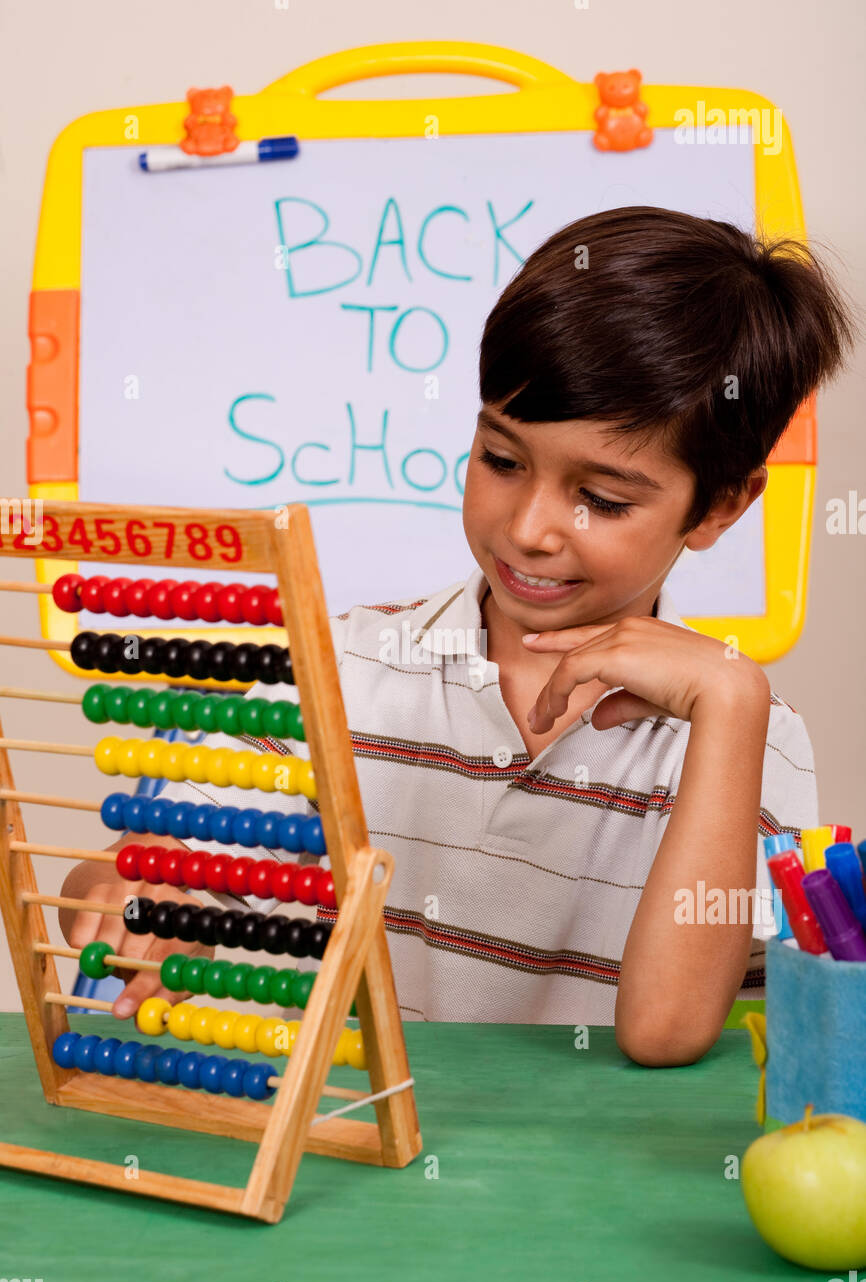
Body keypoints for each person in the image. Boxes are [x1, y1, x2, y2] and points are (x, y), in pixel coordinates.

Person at [59, 206, 855, 1065]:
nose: (531, 528)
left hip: (594, 1185)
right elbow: (123, 875)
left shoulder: (753, 738)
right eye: (502, 460)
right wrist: (136, 899)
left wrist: (733, 703)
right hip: (360, 1163)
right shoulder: (337, 672)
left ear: (723, 504)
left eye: (605, 499)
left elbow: (667, 1033)